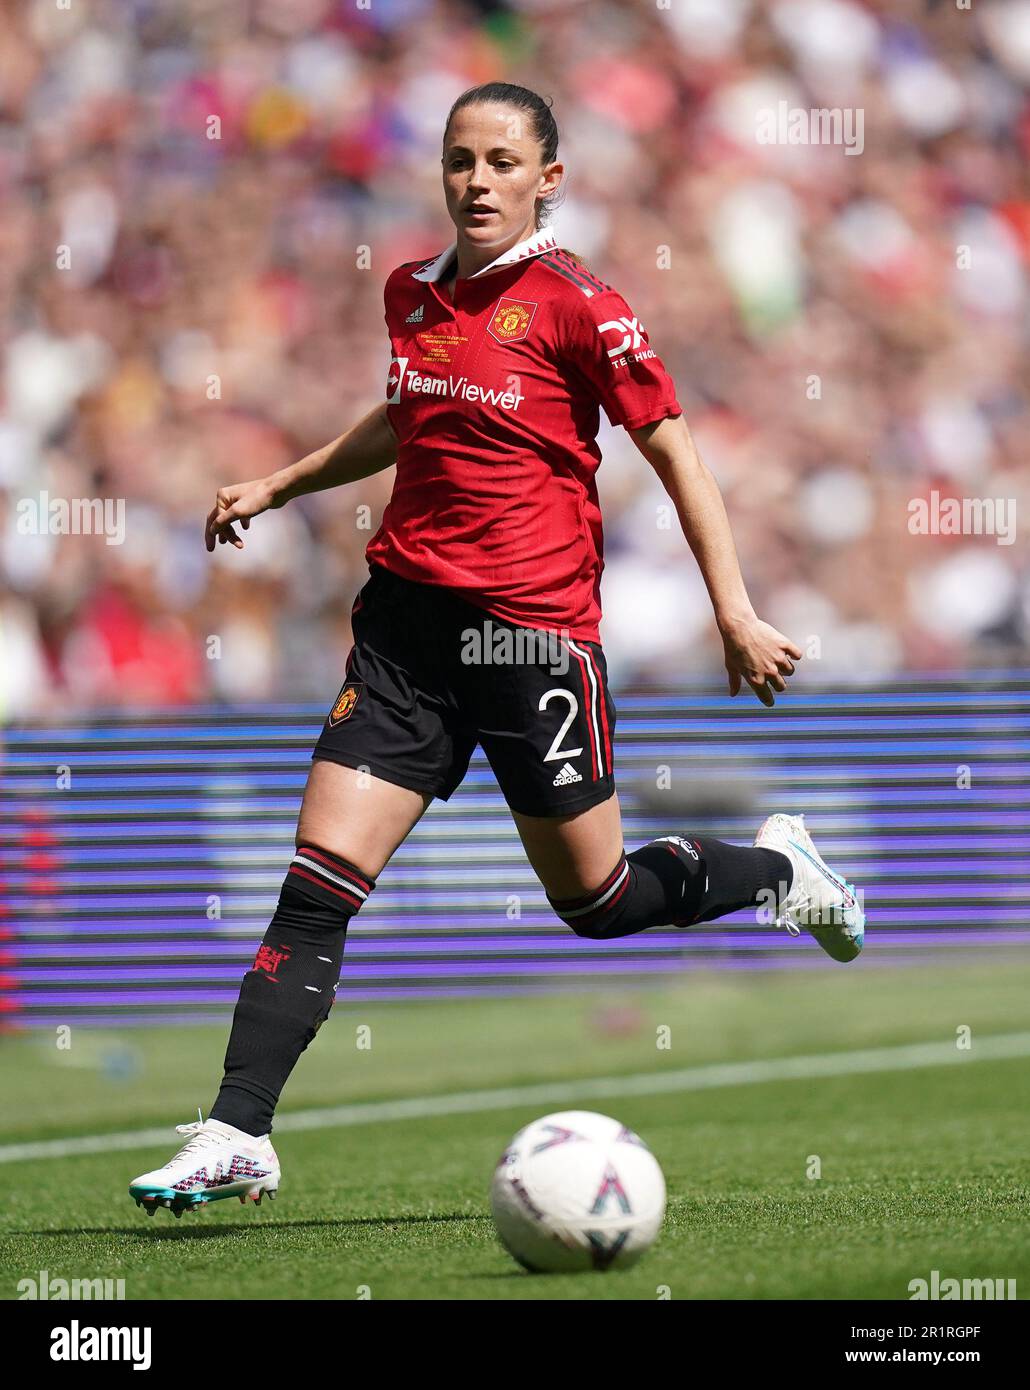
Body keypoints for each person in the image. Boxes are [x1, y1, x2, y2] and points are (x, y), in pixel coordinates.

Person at [129, 83, 864, 1216]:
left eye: (503, 163)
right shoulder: (411, 292)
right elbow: (406, 413)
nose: (478, 181)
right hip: (405, 636)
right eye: (461, 160)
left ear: (547, 180)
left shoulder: (582, 307)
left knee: (600, 899)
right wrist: (282, 481)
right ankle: (238, 1130)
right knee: (316, 886)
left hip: (534, 646)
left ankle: (778, 870)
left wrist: (734, 609)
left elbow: (678, 457)